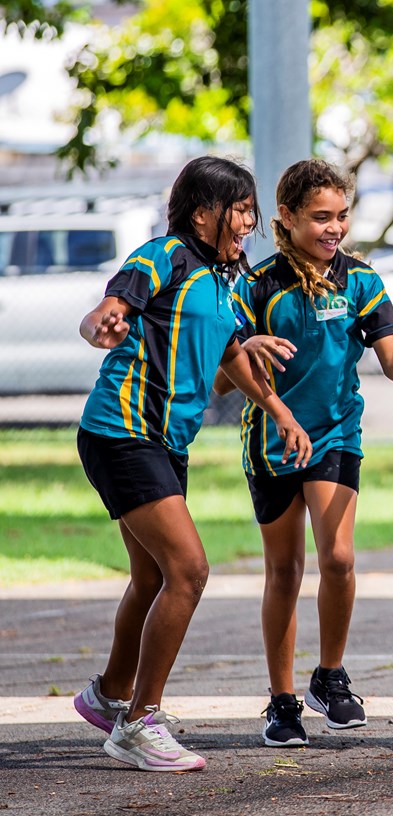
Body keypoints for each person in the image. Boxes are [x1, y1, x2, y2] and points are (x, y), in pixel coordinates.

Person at [73, 156, 312, 772]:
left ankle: (108, 695)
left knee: (153, 577)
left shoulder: (220, 279)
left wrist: (279, 411)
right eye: (241, 209)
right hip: (124, 431)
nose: (250, 222)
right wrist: (106, 316)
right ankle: (137, 723)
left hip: (160, 442)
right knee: (190, 570)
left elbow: (232, 354)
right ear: (204, 210)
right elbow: (119, 295)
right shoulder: (168, 254)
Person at [213, 159, 393, 747]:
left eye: (342, 215)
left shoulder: (361, 281)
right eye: (320, 217)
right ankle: (282, 702)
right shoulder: (255, 286)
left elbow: (388, 356)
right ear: (286, 217)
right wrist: (248, 348)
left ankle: (330, 677)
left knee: (337, 558)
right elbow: (219, 381)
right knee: (284, 571)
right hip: (273, 441)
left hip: (336, 435)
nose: (334, 227)